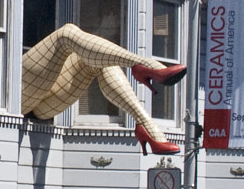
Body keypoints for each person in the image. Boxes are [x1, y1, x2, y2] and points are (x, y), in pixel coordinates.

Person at [19, 23, 187, 154]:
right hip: (15, 96)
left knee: (101, 61)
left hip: (43, 107)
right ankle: (146, 67)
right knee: (66, 33)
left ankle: (147, 123)